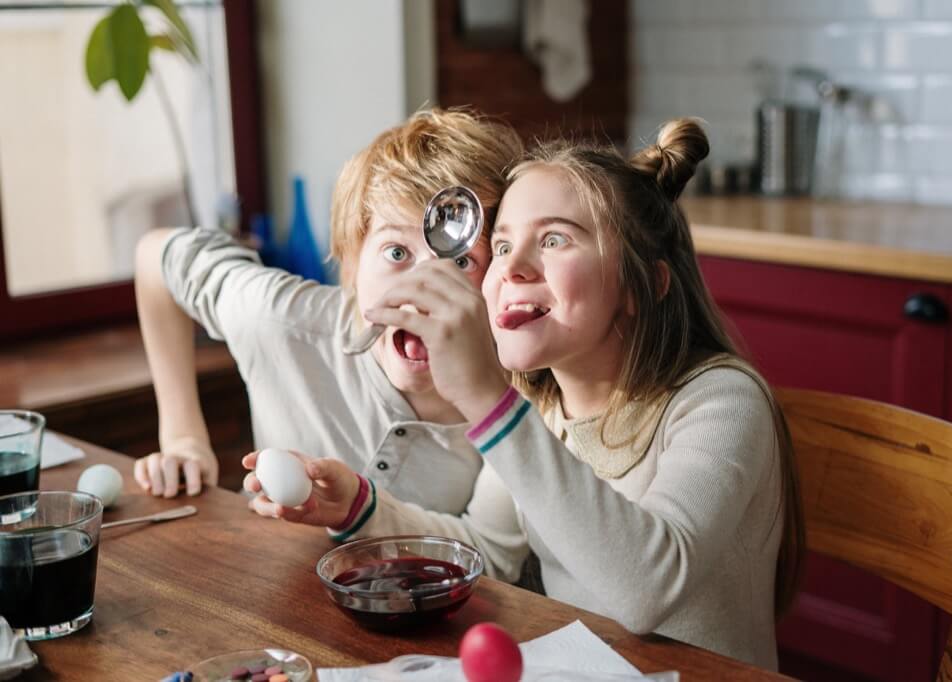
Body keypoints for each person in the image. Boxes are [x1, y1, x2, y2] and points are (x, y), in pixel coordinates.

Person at [243, 118, 804, 669]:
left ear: (642, 284)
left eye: (554, 239)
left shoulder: (720, 400)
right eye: (503, 245)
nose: (513, 268)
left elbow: (647, 590)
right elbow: (492, 551)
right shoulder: (544, 406)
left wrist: (491, 403)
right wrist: (358, 507)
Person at [132, 108, 525, 538]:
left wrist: (355, 511)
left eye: (462, 260)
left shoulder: (518, 388)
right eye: (397, 253)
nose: (422, 288)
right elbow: (156, 257)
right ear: (353, 262)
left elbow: (494, 555)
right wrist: (182, 436)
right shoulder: (285, 322)